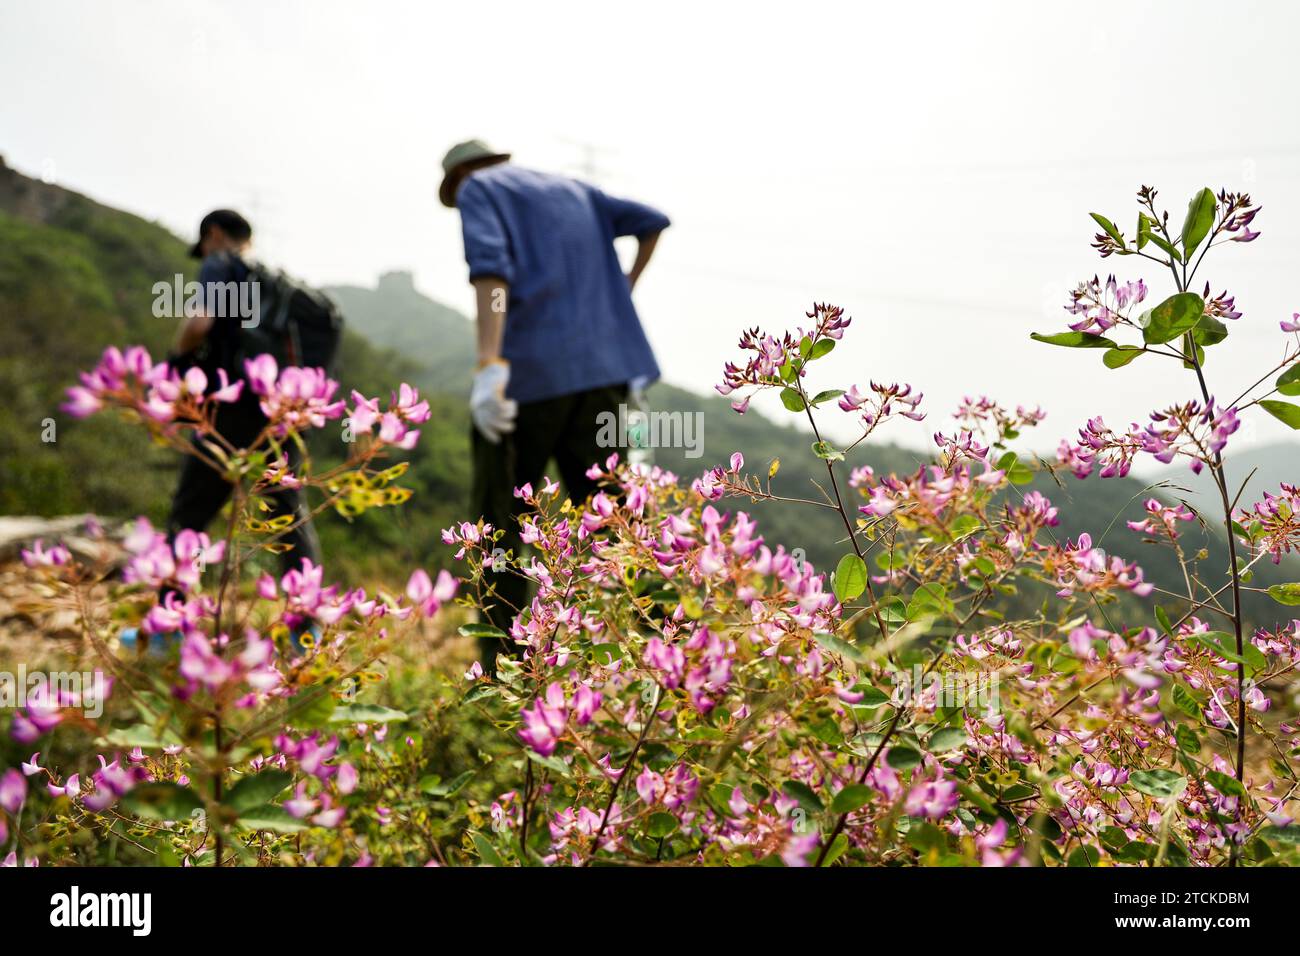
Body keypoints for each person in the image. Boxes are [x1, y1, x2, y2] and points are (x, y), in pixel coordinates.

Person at [440, 140, 669, 666]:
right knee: (617, 519)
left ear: (459, 180)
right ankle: (672, 659)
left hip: (530, 379)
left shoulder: (478, 188)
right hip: (605, 373)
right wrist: (623, 290)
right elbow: (654, 221)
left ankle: (506, 671)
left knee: (498, 524)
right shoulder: (577, 189)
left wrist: (489, 366)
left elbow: (492, 277)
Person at [121, 210, 321, 656]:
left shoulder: (221, 264)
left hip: (229, 409)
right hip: (281, 407)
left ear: (213, 235)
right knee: (289, 511)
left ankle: (170, 628)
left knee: (189, 514)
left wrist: (175, 357)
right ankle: (307, 634)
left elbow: (199, 323)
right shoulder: (276, 279)